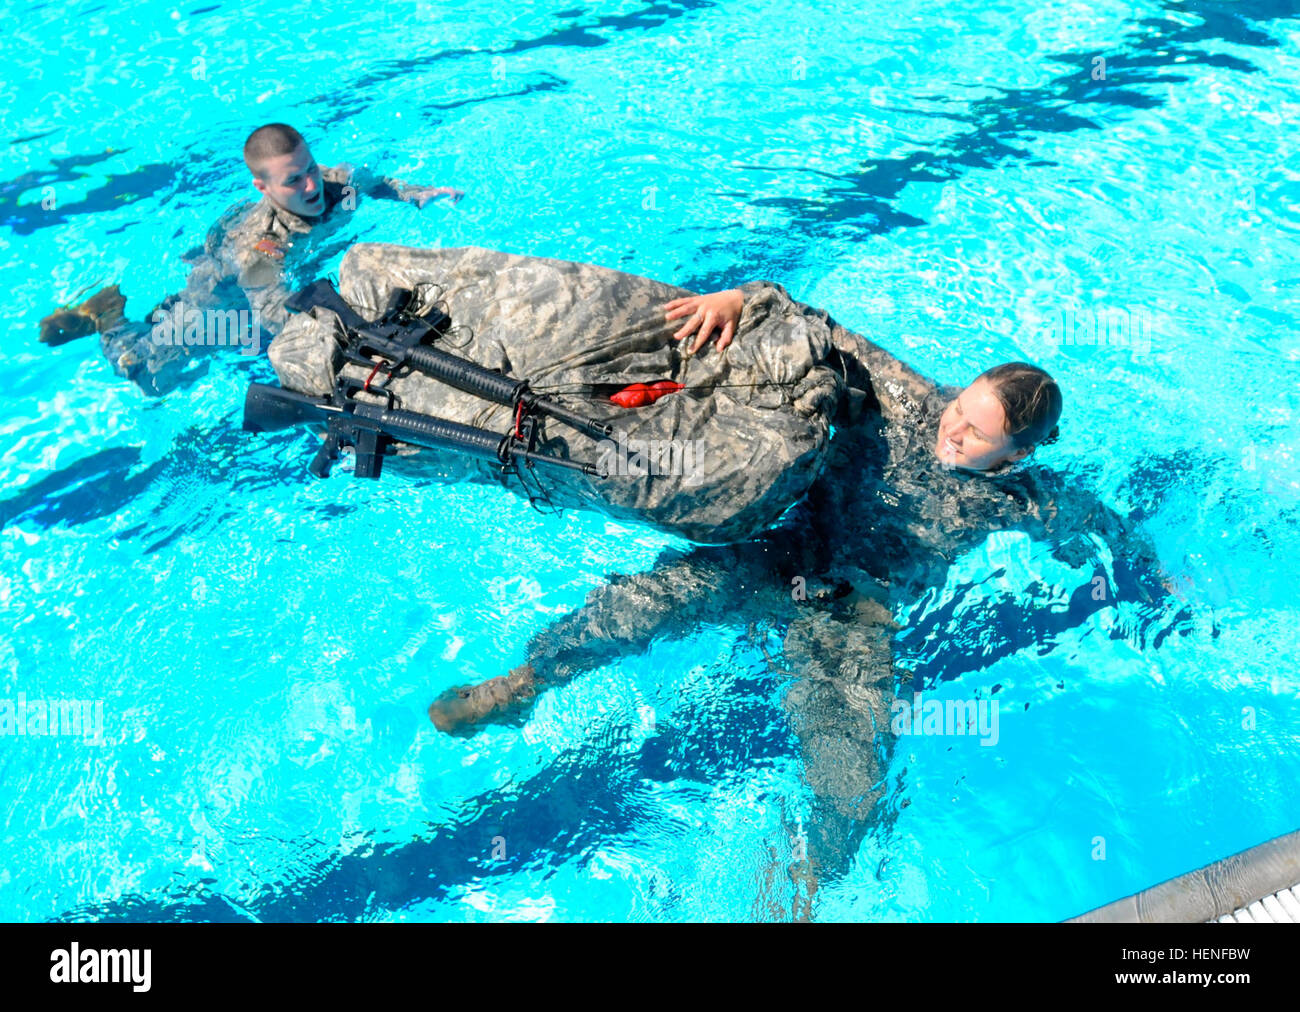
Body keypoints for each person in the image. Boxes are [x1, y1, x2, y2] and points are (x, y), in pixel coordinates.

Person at [425, 279, 1185, 887]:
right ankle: (527, 681)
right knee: (646, 601)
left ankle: (808, 886)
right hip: (777, 553)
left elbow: (1107, 532)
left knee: (853, 762)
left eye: (974, 434)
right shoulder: (905, 399)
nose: (949, 428)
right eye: (958, 407)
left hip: (856, 612)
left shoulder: (1022, 497)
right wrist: (737, 301)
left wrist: (1155, 583)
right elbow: (810, 323)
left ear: (1013, 456)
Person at [37, 123, 462, 395]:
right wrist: (349, 327)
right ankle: (105, 319)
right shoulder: (260, 247)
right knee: (147, 375)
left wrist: (416, 193)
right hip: (217, 301)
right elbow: (274, 312)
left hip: (258, 276)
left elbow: (377, 182)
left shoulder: (336, 182)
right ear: (262, 186)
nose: (312, 185)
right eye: (294, 180)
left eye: (311, 168)